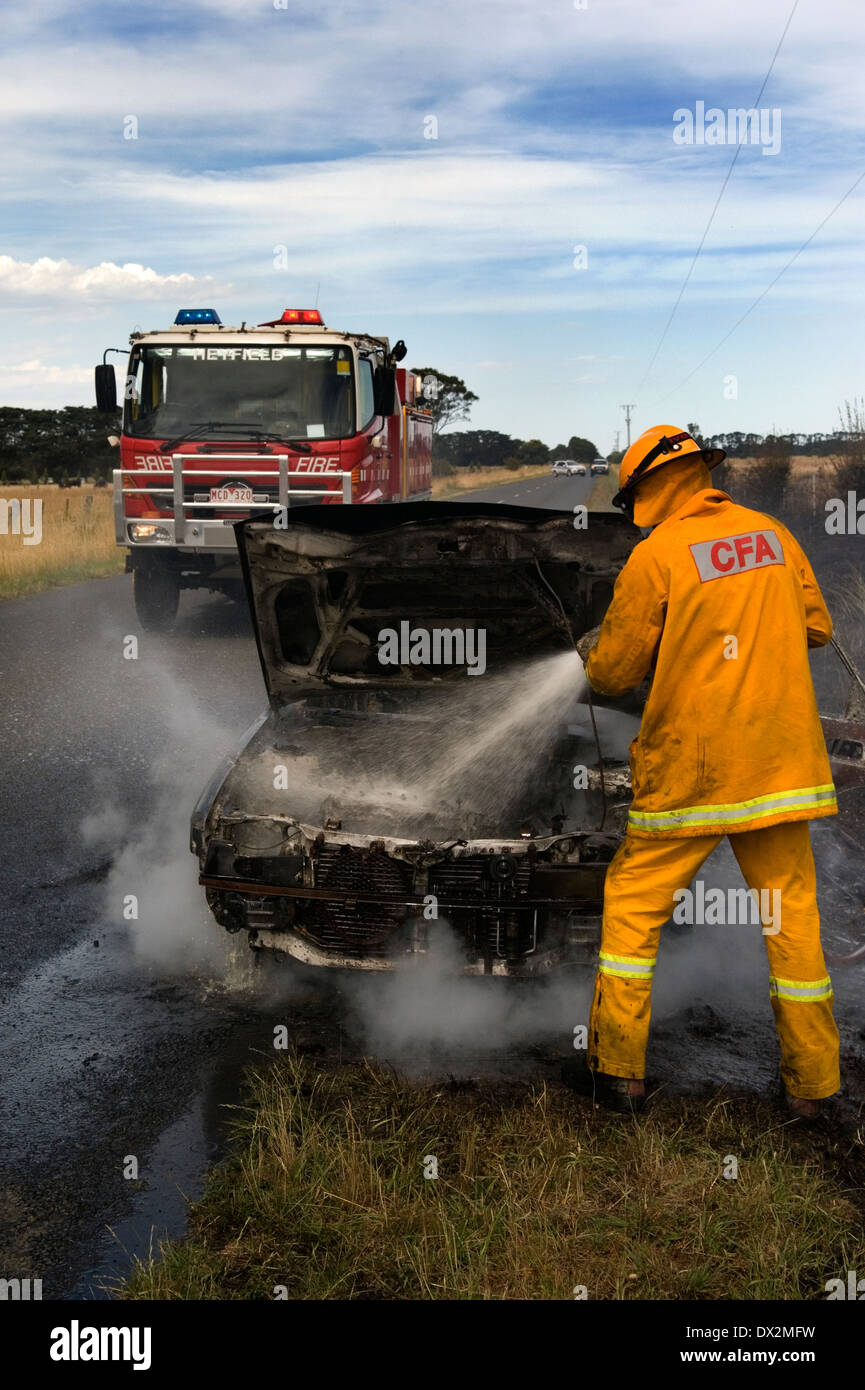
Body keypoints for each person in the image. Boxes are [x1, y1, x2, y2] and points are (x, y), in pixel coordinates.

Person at [568, 424, 840, 1119]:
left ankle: (618, 1075)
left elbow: (613, 671)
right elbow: (817, 627)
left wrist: (591, 649)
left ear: (645, 491)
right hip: (778, 768)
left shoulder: (656, 555)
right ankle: (813, 1090)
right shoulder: (772, 536)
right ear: (700, 473)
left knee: (633, 911)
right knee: (791, 924)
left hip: (692, 772)